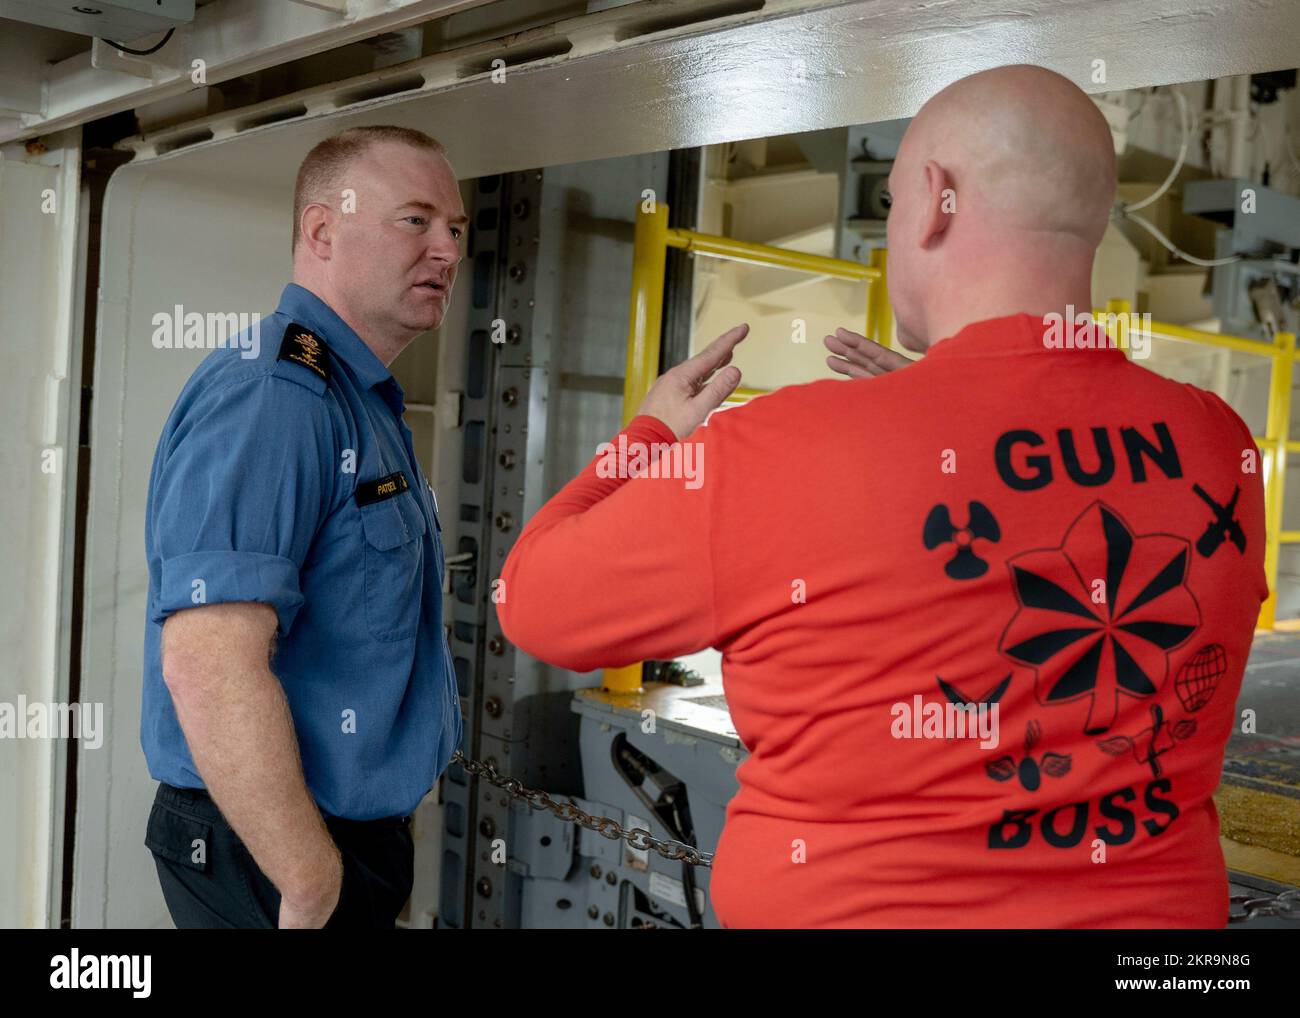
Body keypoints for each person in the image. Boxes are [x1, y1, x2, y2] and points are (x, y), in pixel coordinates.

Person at [496, 65, 1268, 927]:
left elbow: (534, 603)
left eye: (895, 201)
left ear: (937, 199)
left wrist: (646, 439)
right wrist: (955, 419)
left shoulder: (785, 450)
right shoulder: (1217, 438)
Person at [141, 125, 466, 928]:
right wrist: (310, 880)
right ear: (323, 230)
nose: (448, 251)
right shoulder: (279, 397)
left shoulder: (363, 400)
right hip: (278, 852)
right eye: (415, 220)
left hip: (335, 844)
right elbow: (209, 665)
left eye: (455, 229)